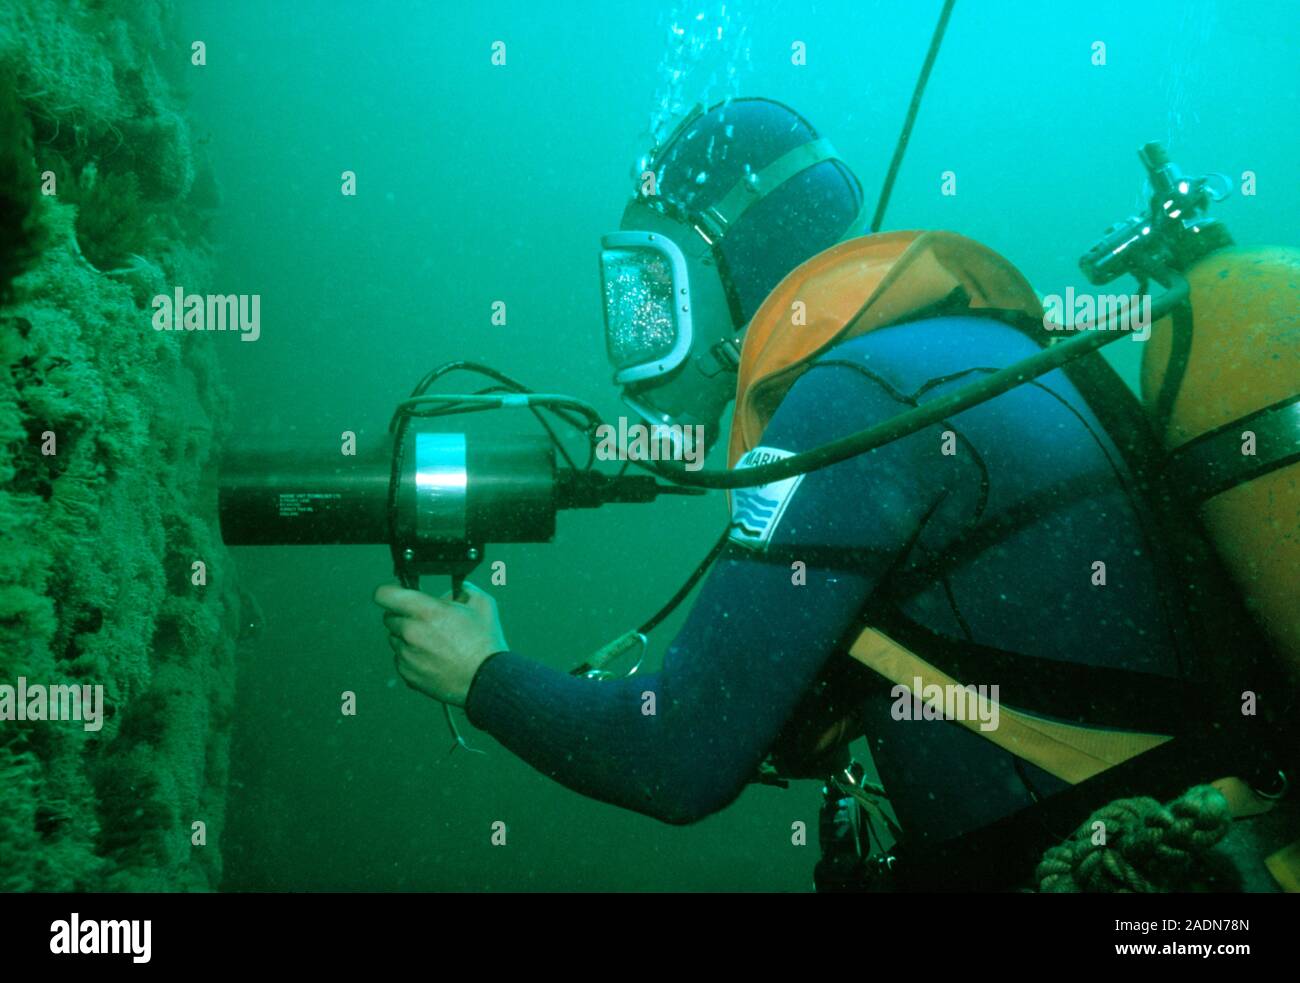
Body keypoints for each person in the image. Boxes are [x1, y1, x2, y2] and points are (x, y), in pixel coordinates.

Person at [373, 98, 1274, 889]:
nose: (637, 333)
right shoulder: (961, 357)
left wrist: (480, 672)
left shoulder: (858, 400)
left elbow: (679, 756)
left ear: (735, 259)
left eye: (654, 288)